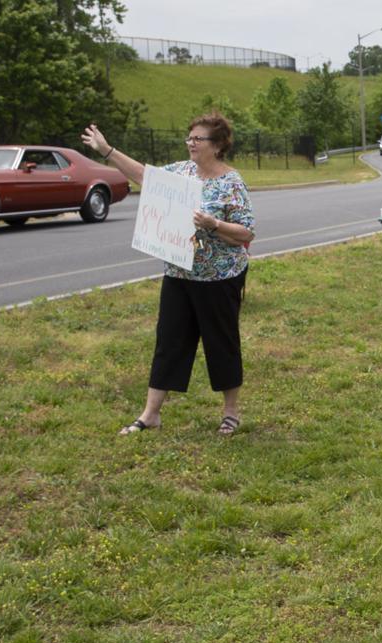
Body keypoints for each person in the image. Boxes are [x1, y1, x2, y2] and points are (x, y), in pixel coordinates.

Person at [81, 113, 256, 436]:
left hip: (219, 277)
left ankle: (231, 413)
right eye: (188, 138)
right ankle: (151, 414)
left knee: (222, 342)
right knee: (170, 342)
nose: (190, 143)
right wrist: (107, 150)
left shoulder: (231, 182)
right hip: (179, 273)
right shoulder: (181, 172)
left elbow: (246, 232)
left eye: (197, 139)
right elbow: (142, 175)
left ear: (217, 145)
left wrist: (214, 224)